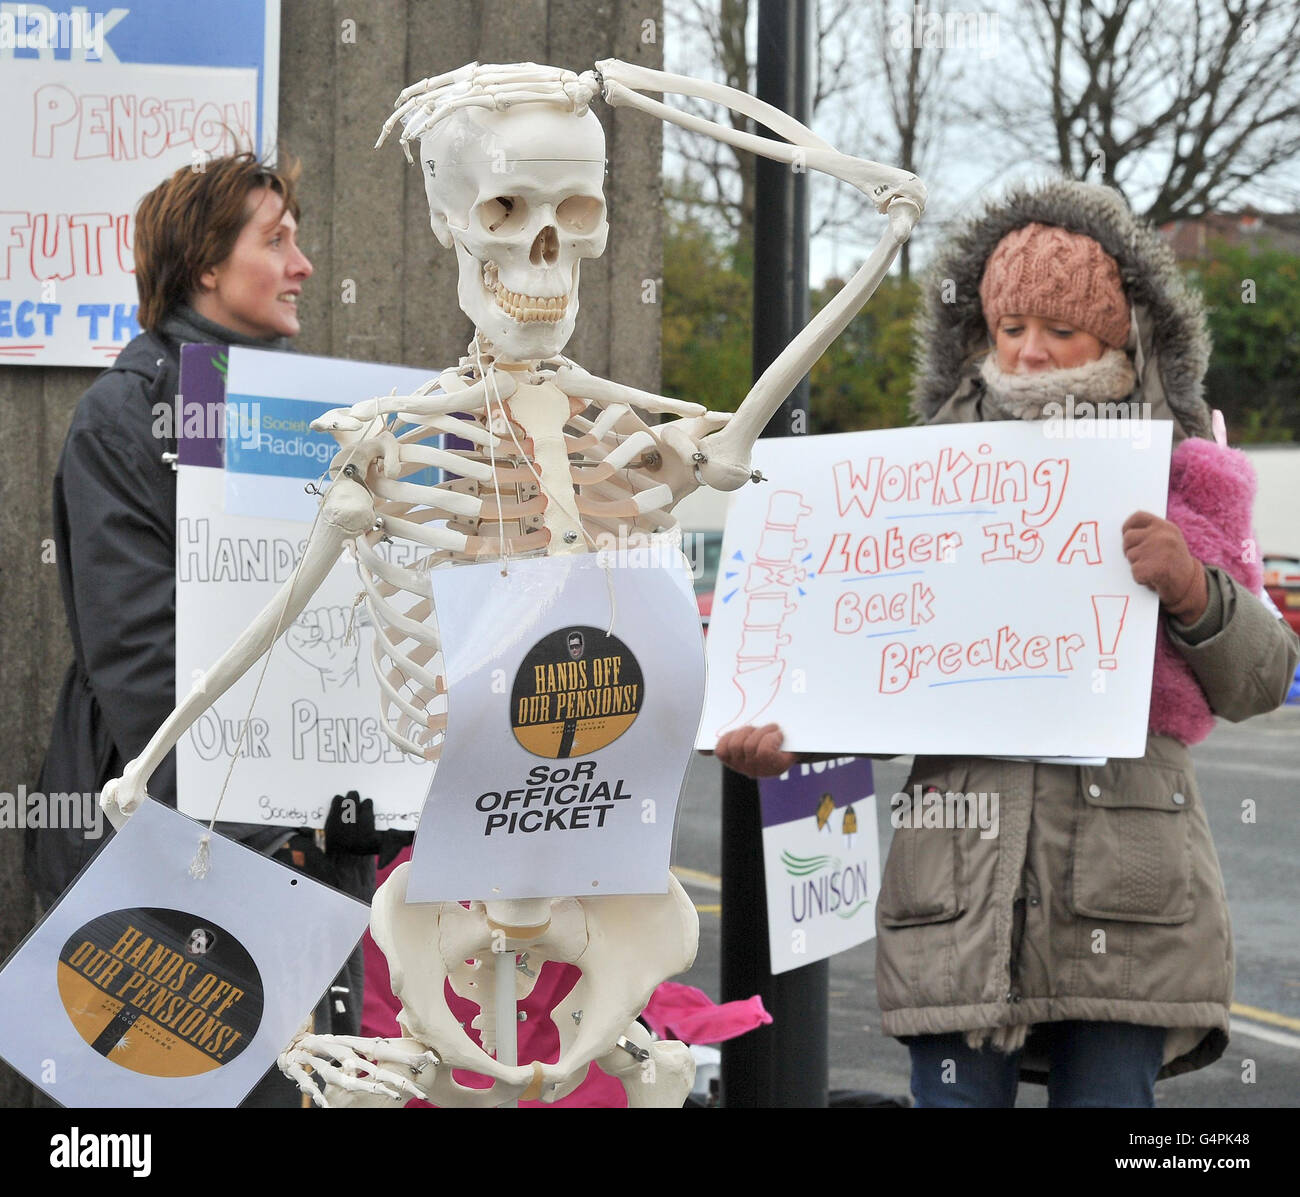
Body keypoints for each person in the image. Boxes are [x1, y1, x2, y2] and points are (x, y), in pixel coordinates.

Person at [715, 178, 1300, 1108]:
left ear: (1120, 338)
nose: (1029, 351)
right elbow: (874, 664)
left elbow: (1263, 678)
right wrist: (791, 742)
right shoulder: (911, 482)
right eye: (1009, 326)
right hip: (958, 895)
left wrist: (1194, 588)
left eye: (1060, 329)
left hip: (1129, 897)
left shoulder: (1186, 479)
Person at [27, 152, 373, 1105]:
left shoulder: (317, 419)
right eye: (278, 240)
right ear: (206, 266)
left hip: (292, 846)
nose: (304, 264)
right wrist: (272, 836)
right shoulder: (124, 416)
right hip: (166, 848)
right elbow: (140, 662)